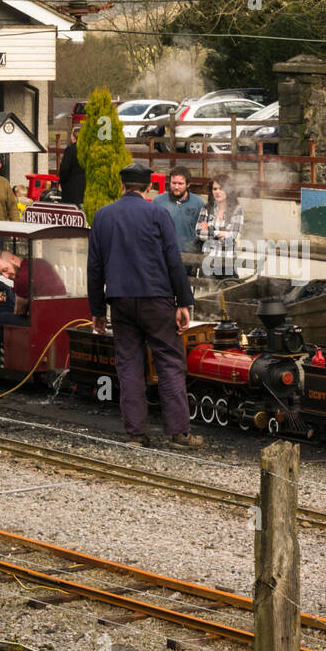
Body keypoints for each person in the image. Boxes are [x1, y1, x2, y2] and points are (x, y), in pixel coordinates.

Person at [88, 162, 200, 449]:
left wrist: (98, 311)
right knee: (170, 362)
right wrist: (184, 302)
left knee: (129, 365)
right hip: (158, 300)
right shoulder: (158, 213)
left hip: (120, 301)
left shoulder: (102, 216)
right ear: (149, 187)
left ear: (122, 185)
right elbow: (173, 260)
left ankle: (136, 433)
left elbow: (95, 268)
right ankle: (179, 433)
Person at [195, 175, 244, 279]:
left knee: (227, 293)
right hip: (207, 262)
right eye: (215, 189)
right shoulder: (206, 208)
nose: (217, 192)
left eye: (221, 188)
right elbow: (198, 233)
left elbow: (233, 237)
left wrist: (209, 231)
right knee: (207, 293)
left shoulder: (237, 209)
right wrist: (220, 233)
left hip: (227, 262)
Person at [153, 166, 204, 262]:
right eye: (174, 183)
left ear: (188, 184)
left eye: (180, 184)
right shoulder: (158, 201)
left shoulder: (198, 203)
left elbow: (203, 232)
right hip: (163, 255)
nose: (176, 187)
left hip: (189, 256)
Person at [58, 124, 85, 207]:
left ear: (73, 138)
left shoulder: (71, 150)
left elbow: (64, 170)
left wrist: (62, 183)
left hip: (72, 191)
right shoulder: (90, 150)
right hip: (87, 191)